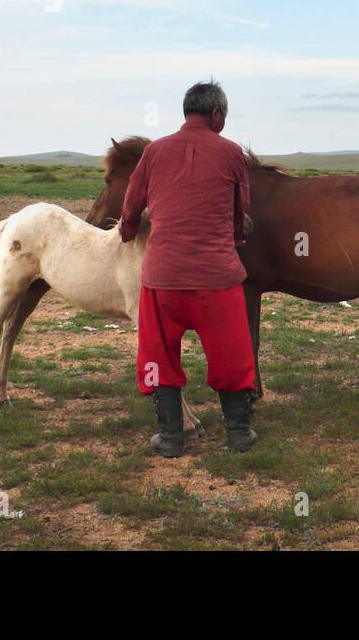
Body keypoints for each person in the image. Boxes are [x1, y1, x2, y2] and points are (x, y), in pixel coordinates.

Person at [119, 80, 257, 457]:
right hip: (217, 279)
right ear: (216, 114)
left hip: (163, 278)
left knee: (156, 355)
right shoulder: (231, 154)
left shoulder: (154, 152)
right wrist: (233, 243)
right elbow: (237, 215)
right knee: (232, 354)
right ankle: (238, 433)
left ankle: (170, 436)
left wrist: (128, 231)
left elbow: (131, 208)